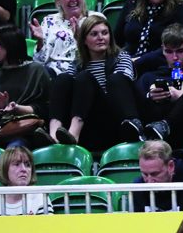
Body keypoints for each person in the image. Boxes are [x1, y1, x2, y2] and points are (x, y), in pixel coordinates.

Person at [47, 14, 136, 147]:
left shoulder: (121, 57)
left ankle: (73, 135)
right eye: (94, 34)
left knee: (84, 78)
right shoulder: (77, 63)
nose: (101, 38)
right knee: (63, 79)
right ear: (84, 40)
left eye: (105, 33)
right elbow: (66, 89)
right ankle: (53, 135)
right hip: (87, 123)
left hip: (112, 120)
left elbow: (121, 89)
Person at [130, 23, 183, 148]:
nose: (175, 57)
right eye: (169, 52)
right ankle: (161, 127)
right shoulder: (148, 77)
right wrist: (150, 96)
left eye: (180, 51)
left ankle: (166, 125)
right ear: (162, 50)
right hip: (152, 138)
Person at [30, 0, 92, 78]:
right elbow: (39, 62)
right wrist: (40, 42)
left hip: (83, 71)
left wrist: (79, 37)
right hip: (52, 74)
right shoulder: (49, 21)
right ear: (58, 0)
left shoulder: (94, 19)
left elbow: (101, 53)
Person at [133, 140, 183, 212]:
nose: (149, 182)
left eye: (155, 174)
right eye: (145, 174)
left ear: (171, 166)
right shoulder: (137, 187)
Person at [0, 146, 52, 215]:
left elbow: (48, 226)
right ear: (5, 169)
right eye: (17, 164)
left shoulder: (40, 197)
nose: (23, 169)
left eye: (27, 165)